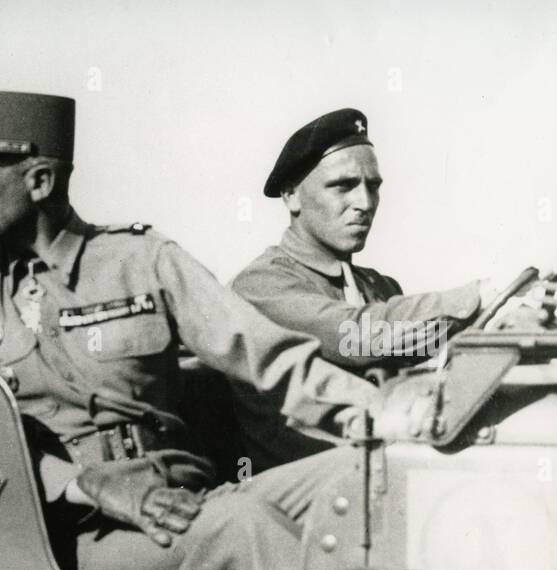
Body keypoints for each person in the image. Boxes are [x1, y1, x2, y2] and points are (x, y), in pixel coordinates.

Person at [0, 91, 371, 570]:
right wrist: (84, 484)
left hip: (183, 505)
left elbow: (267, 356)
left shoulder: (141, 261)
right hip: (66, 540)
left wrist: (388, 413)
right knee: (243, 529)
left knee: (371, 474)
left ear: (39, 181)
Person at [231, 107, 540, 468]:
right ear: (291, 196)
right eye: (343, 186)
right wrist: (480, 295)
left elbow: (426, 345)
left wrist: (517, 316)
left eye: (372, 187)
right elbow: (360, 336)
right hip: (309, 483)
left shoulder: (376, 286)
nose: (364, 203)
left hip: (382, 463)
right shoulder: (262, 285)